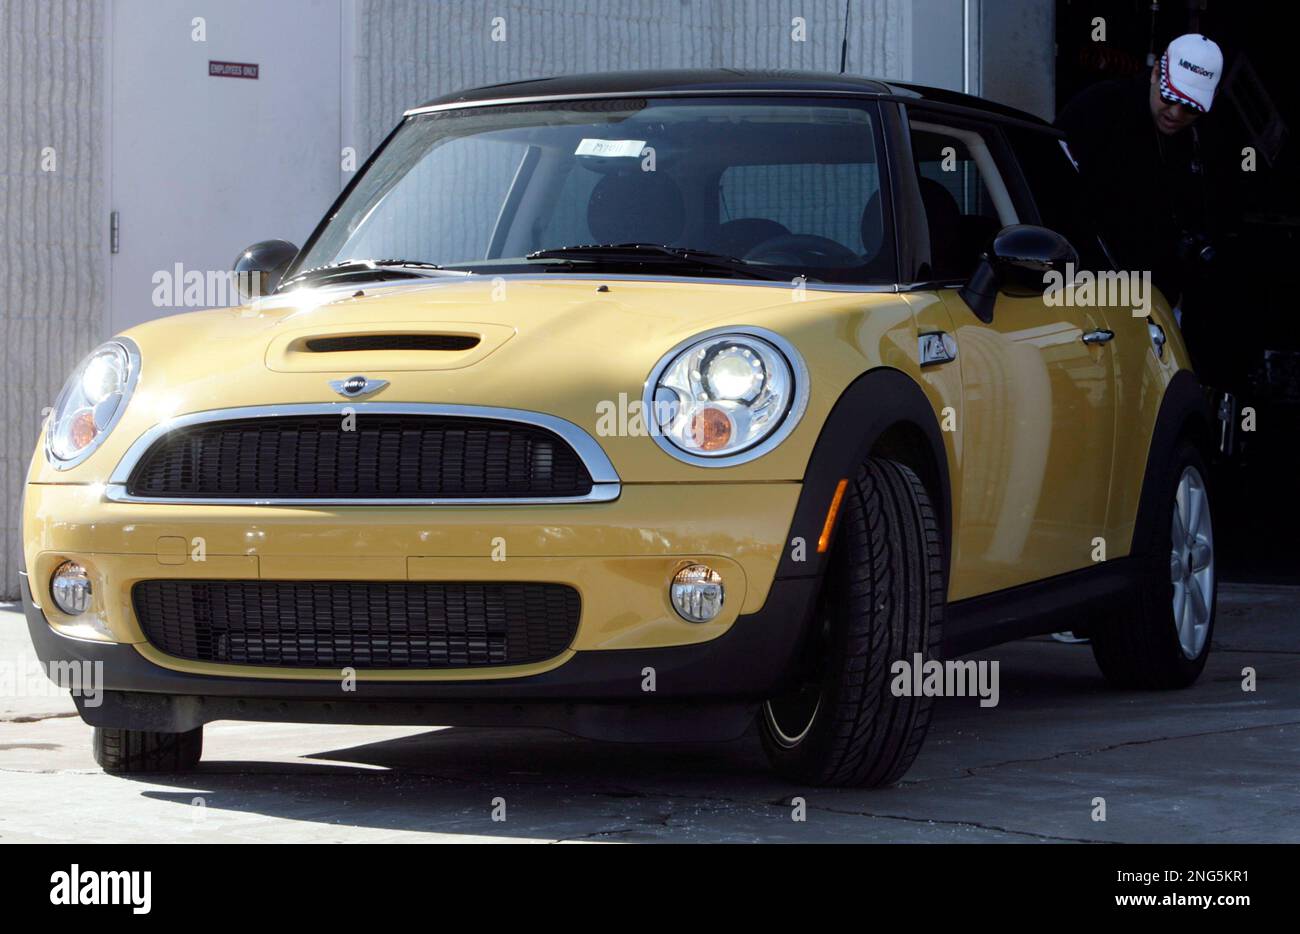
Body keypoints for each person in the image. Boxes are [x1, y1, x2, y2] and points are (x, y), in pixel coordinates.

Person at [1056, 34, 1224, 317]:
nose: (1176, 113)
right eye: (1169, 97)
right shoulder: (1099, 107)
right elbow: (1049, 184)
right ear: (1155, 73)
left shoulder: (1199, 139)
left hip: (1158, 301)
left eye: (1191, 107)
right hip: (1086, 291)